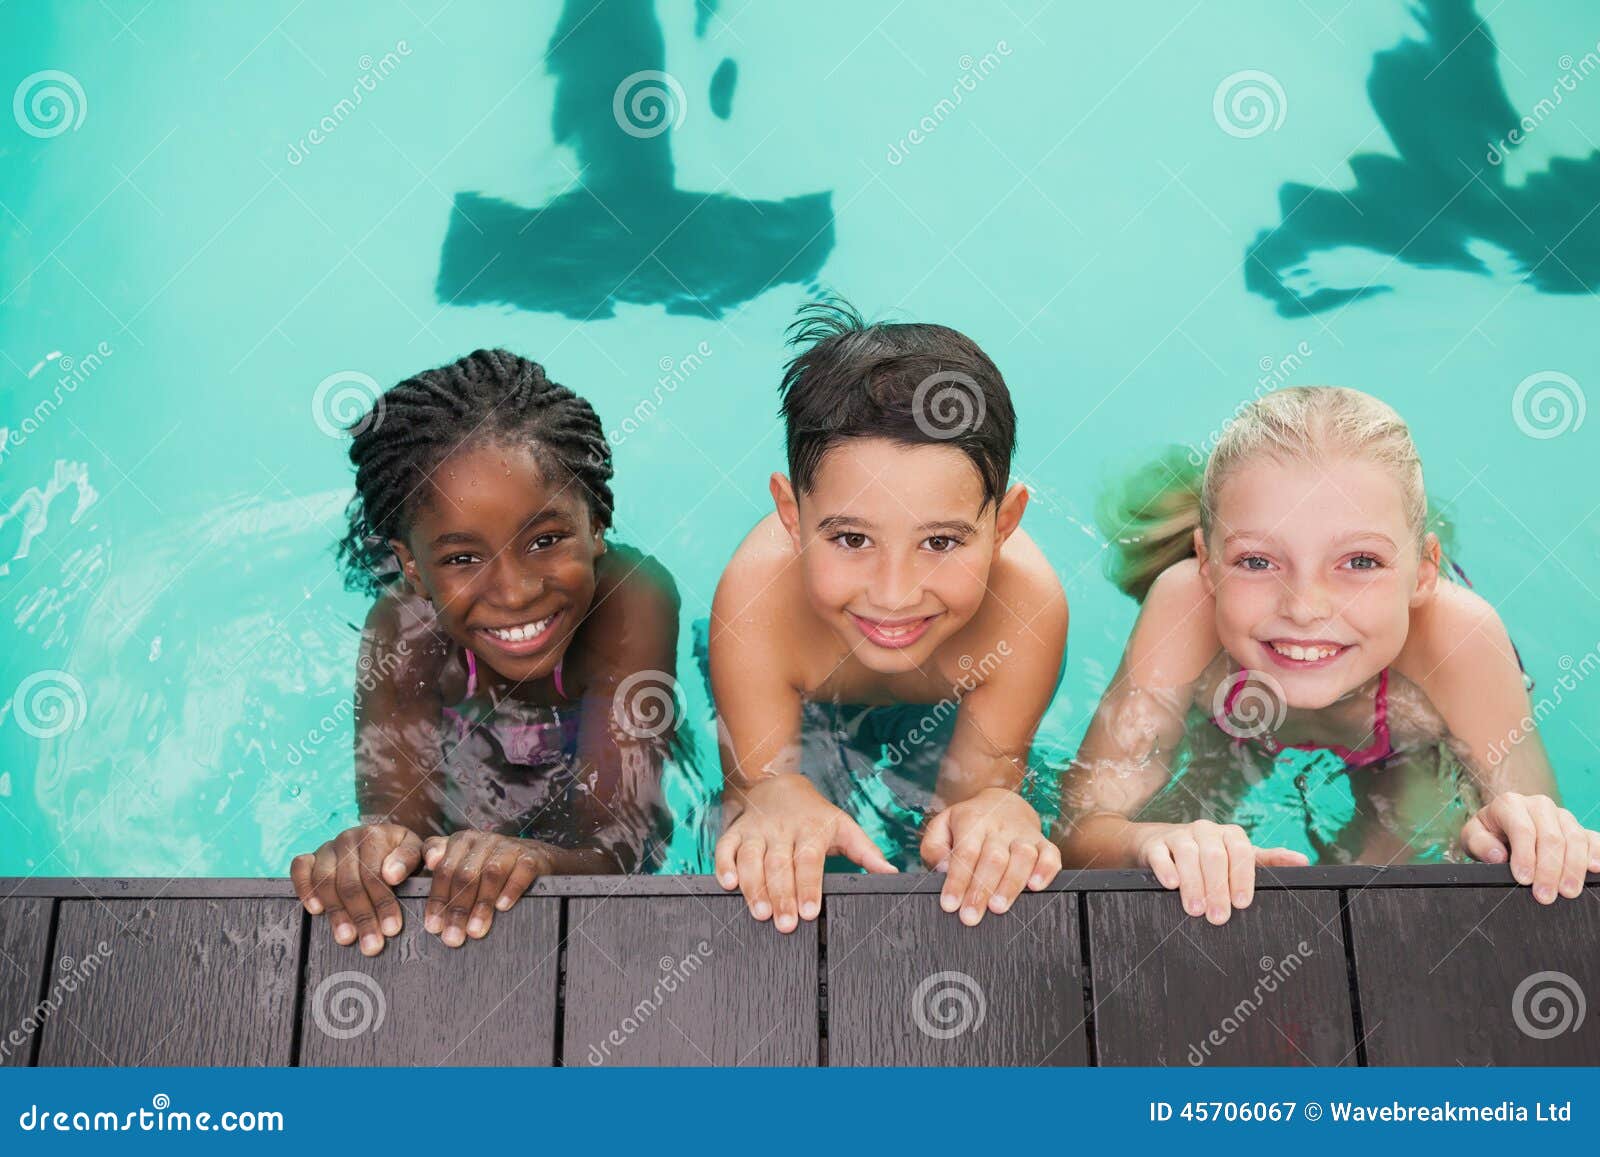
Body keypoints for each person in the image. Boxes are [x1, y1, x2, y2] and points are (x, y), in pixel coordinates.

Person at [1060, 386, 1600, 923]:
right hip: (1234, 721)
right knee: (1190, 852)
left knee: (1393, 877)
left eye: (1361, 562)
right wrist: (1145, 840)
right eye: (1256, 561)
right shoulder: (1184, 608)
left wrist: (1515, 831)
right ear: (1205, 561)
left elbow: (1534, 827)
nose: (1304, 608)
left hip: (1400, 747)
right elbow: (1081, 828)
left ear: (1424, 572)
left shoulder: (1458, 638)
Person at [290, 349, 678, 954]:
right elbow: (401, 830)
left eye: (546, 540)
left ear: (598, 524)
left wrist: (536, 859)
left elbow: (626, 845)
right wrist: (375, 854)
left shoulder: (632, 599)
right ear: (412, 567)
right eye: (462, 558)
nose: (516, 592)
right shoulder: (403, 630)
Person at [709, 300, 1067, 933]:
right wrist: (773, 795)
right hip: (816, 702)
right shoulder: (757, 602)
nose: (895, 594)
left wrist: (995, 811)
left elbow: (969, 809)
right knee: (777, 839)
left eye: (940, 542)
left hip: (935, 707)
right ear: (791, 516)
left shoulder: (1025, 610)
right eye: (852, 539)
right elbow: (751, 793)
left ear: (1004, 523)